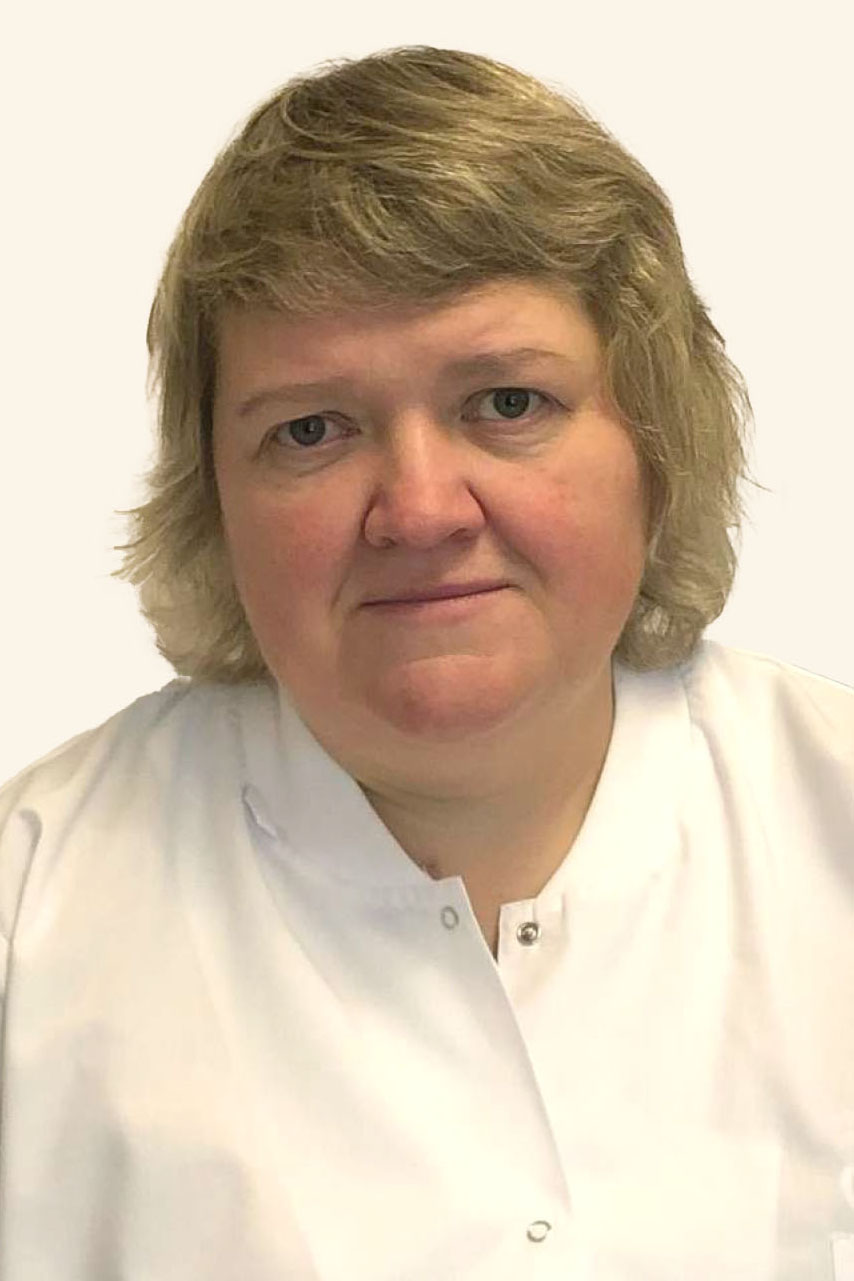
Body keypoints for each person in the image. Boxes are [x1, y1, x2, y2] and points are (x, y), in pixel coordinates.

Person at [0, 44, 852, 1281]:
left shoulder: (829, 818)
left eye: (505, 403)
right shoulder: (31, 910)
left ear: (657, 440)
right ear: (214, 498)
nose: (417, 509)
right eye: (311, 429)